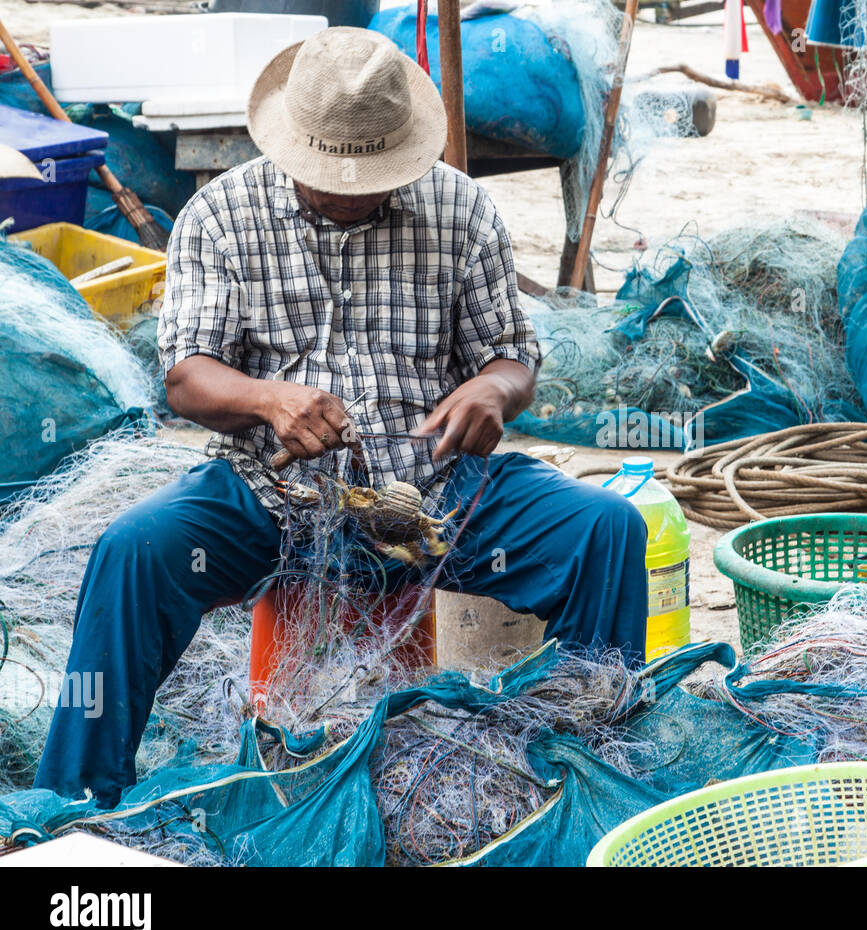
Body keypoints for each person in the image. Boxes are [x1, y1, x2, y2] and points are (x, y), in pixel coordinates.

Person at [35, 27, 649, 808]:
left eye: (375, 175)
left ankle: (588, 771)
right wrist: (267, 399)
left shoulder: (462, 211)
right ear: (291, 145)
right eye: (333, 176)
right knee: (133, 552)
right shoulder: (221, 216)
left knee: (606, 529)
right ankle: (78, 803)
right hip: (272, 497)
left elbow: (511, 354)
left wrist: (494, 392)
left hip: (440, 495)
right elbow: (186, 379)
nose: (354, 191)